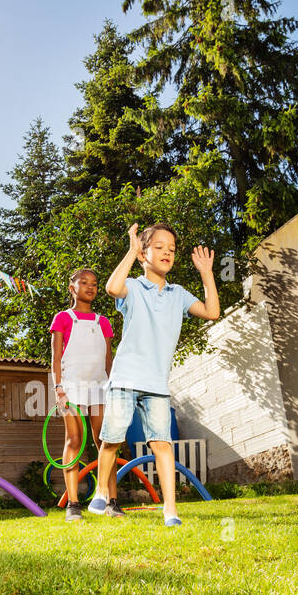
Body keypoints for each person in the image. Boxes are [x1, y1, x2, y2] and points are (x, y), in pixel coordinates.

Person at [88, 223, 219, 527]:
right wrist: (131, 252)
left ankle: (170, 510)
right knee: (111, 438)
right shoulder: (133, 287)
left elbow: (212, 312)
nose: (166, 253)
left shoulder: (179, 295)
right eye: (158, 247)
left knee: (162, 444)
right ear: (144, 253)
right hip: (125, 378)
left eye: (171, 250)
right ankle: (99, 492)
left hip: (157, 384)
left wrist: (207, 273)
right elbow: (111, 288)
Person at [48, 267, 117, 522]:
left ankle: (111, 501)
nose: (90, 287)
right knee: (74, 441)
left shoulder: (104, 322)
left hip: (99, 387)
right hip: (71, 386)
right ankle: (73, 505)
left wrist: (114, 388)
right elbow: (56, 358)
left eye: (95, 283)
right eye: (84, 282)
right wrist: (59, 389)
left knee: (105, 443)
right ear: (72, 287)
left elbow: (108, 359)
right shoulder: (63, 318)